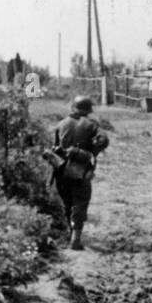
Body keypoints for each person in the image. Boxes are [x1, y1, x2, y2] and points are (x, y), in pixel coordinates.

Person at [52, 95, 109, 250]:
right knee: (80, 202)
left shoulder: (61, 124)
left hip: (61, 169)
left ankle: (70, 233)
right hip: (80, 170)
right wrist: (92, 153)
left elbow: (54, 149)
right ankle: (75, 238)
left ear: (73, 107)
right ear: (88, 110)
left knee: (67, 202)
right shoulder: (92, 125)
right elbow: (104, 140)